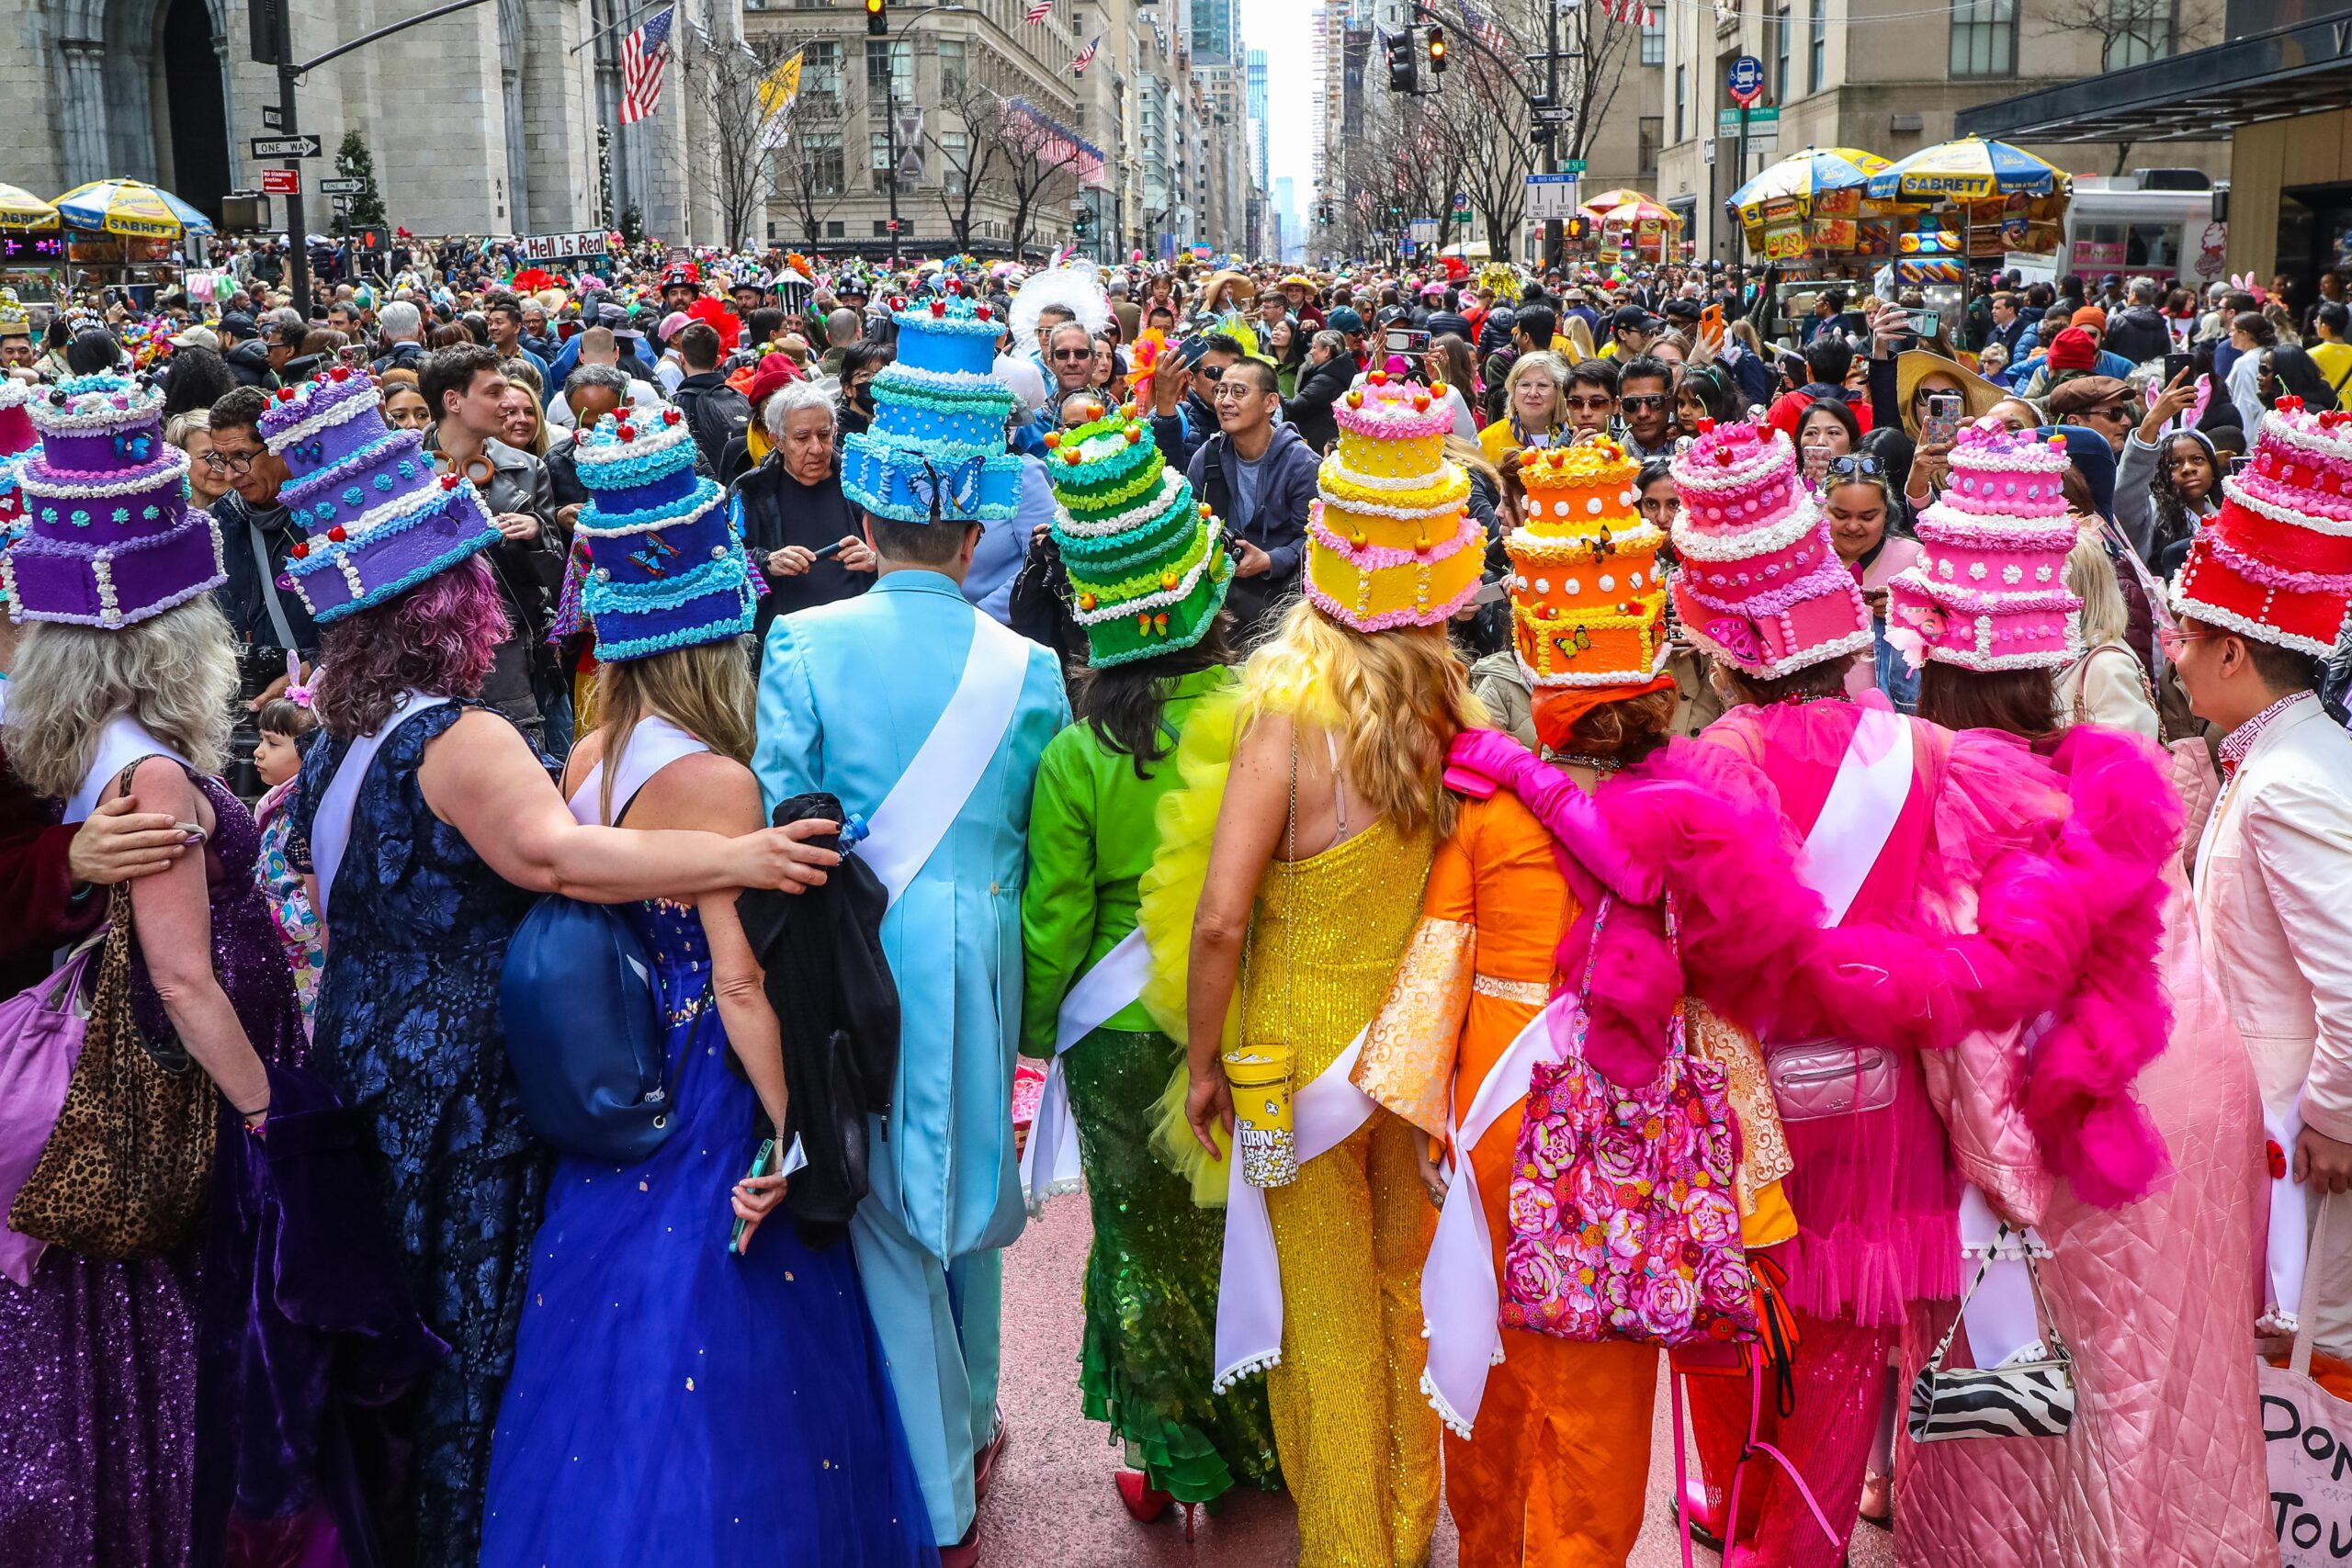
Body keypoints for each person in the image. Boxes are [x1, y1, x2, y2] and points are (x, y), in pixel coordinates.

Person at [278, 375, 842, 1567]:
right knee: (463, 1326)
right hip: (467, 1073)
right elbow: (556, 855)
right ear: (451, 604)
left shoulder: (342, 728)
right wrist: (736, 852)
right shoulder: (460, 732)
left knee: (404, 1319)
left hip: (364, 1044)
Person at [480, 404, 934, 1568]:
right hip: (703, 1078)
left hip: (614, 1075)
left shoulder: (588, 752)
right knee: (738, 1355)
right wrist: (791, 1132)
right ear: (719, 630)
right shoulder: (721, 783)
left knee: (605, 1346)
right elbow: (737, 982)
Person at [0, 371, 413, 1565]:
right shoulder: (159, 771)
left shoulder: (79, 746)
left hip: (129, 1087)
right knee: (216, 1375)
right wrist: (278, 1120)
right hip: (193, 1088)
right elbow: (184, 977)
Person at [1890, 426, 2272, 1568]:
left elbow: (1971, 1025)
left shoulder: (1947, 790)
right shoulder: (2110, 765)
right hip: (2190, 1102)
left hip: (2078, 1136)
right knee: (2177, 1387)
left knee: (2061, 1413)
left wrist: (1994, 1184)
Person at [1148, 379, 1487, 1568]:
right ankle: (1404, 1525)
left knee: (1322, 1318)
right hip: (1408, 1060)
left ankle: (1348, 1546)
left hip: (1284, 1067)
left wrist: (1200, 1065)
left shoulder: (1284, 706)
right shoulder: (1449, 700)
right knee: (1406, 1295)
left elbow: (1222, 917)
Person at [755, 298, 1068, 1568]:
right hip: (982, 942)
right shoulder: (1030, 666)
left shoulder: (806, 640)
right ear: (979, 524)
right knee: (971, 1168)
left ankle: (940, 1486)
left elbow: (789, 811)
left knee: (881, 1188)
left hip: (857, 944)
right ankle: (982, 1400)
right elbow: (1036, 831)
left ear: (869, 521)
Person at [1020, 405, 1279, 1529]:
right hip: (1251, 1014)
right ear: (1207, 597)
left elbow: (1054, 919)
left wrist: (1037, 1032)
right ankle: (1263, 1435)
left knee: (1135, 1239)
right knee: (1252, 1232)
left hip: (1118, 1034)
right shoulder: (1267, 717)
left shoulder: (1079, 752)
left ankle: (1160, 1454)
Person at [2167, 404, 2352, 1370]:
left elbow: (2348, 981)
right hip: (2279, 1128)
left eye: (2186, 640)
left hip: (2296, 1138)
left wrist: (2332, 1117)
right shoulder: (2289, 757)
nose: (2174, 656)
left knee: (2301, 1380)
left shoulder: (2289, 783)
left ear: (2232, 651)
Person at [421, 344, 564, 748]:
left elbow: (556, 575)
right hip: (426, 659)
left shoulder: (527, 468)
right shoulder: (402, 471)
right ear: (453, 401)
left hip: (510, 661)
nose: (507, 403)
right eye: (494, 393)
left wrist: (536, 533)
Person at [729, 379, 876, 642]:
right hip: (788, 642)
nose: (817, 449)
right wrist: (767, 562)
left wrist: (877, 560)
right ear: (778, 441)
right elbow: (726, 562)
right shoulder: (750, 491)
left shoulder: (862, 482)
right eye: (801, 438)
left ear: (835, 431)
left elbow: (903, 552)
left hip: (860, 634)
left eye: (823, 435)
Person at [1186, 355, 1315, 649]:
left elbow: (1313, 542)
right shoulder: (1206, 459)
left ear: (1270, 403)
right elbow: (1188, 524)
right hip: (1217, 612)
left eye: (1239, 392)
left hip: (1280, 614)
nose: (1225, 401)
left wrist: (1269, 560)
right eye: (1221, 391)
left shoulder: (1301, 464)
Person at [251, 683, 326, 1022]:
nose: (258, 752)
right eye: (261, 740)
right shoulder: (278, 808)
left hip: (305, 966)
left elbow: (315, 903)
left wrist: (264, 922)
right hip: (278, 955)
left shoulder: (307, 813)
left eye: (272, 743)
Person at [1477, 350, 1571, 468]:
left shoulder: (1574, 436)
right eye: (1525, 385)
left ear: (1559, 392)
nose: (1532, 393)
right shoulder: (1484, 442)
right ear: (1513, 390)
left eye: (1542, 386)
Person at [1282, 329, 1354, 454]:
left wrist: (1272, 388)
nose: (1311, 352)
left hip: (1319, 448)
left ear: (1326, 351)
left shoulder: (1325, 381)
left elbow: (1293, 409)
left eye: (1314, 347)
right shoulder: (1335, 374)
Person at [1615, 354, 1676, 459]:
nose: (1643, 413)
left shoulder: (1697, 447)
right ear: (1619, 405)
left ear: (1670, 400)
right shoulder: (1607, 461)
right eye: (1631, 404)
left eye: (1654, 401)